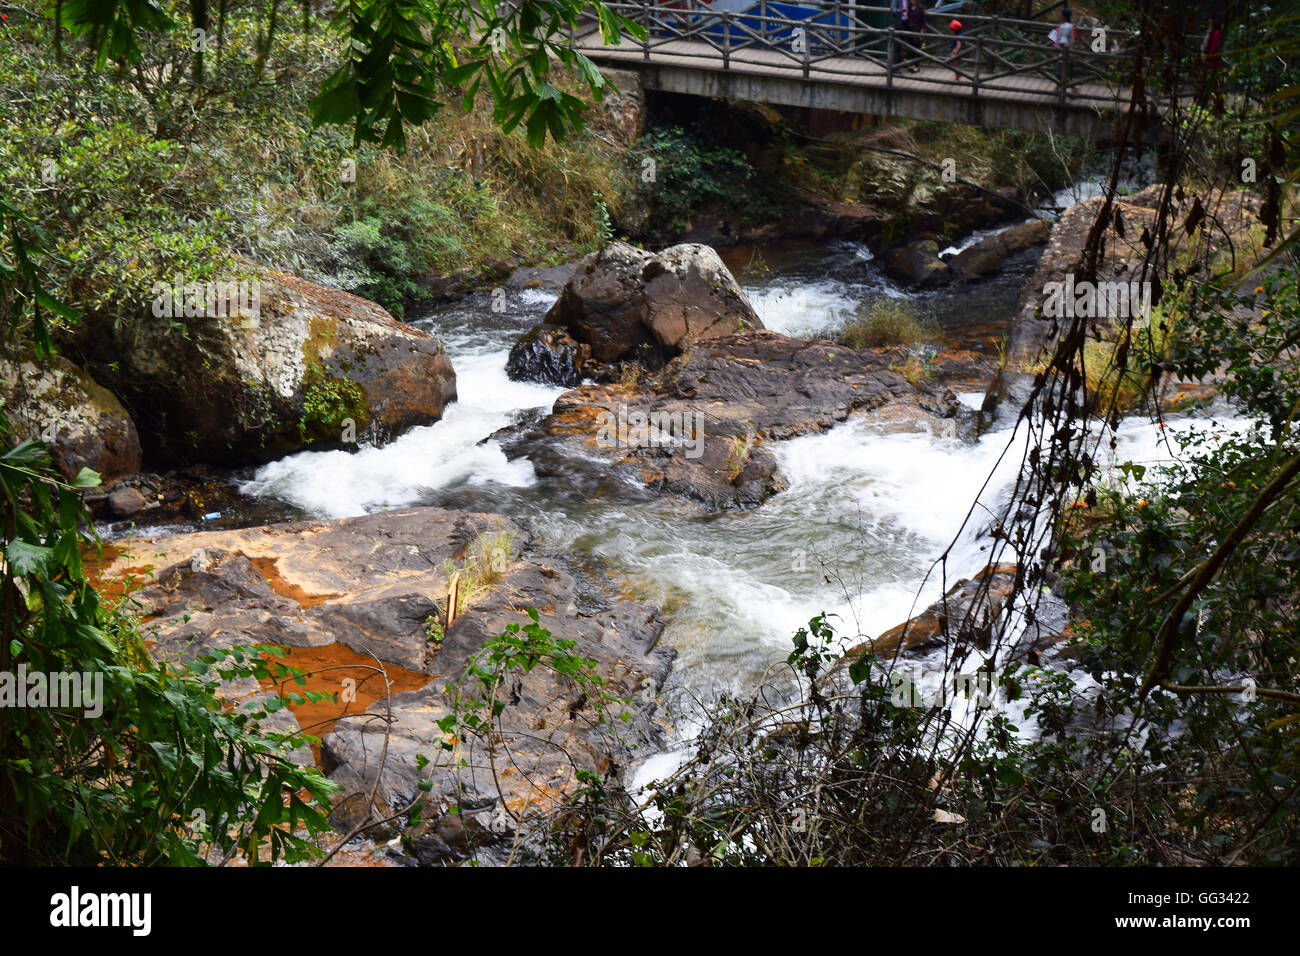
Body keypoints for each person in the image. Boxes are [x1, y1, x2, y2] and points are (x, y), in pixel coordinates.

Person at [1048, 9, 1077, 91]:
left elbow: (1062, 41)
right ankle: (1058, 88)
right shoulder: (1069, 26)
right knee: (1063, 71)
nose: (1059, 16)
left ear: (1063, 16)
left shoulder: (1065, 27)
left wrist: (1057, 51)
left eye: (1060, 15)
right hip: (1067, 51)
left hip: (1062, 52)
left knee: (1061, 71)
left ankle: (1073, 88)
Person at [902, 0, 926, 74]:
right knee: (910, 48)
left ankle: (916, 66)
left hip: (917, 30)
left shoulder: (920, 8)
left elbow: (922, 21)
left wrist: (922, 32)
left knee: (917, 48)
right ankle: (911, 64)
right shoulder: (908, 7)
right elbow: (905, 16)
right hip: (909, 29)